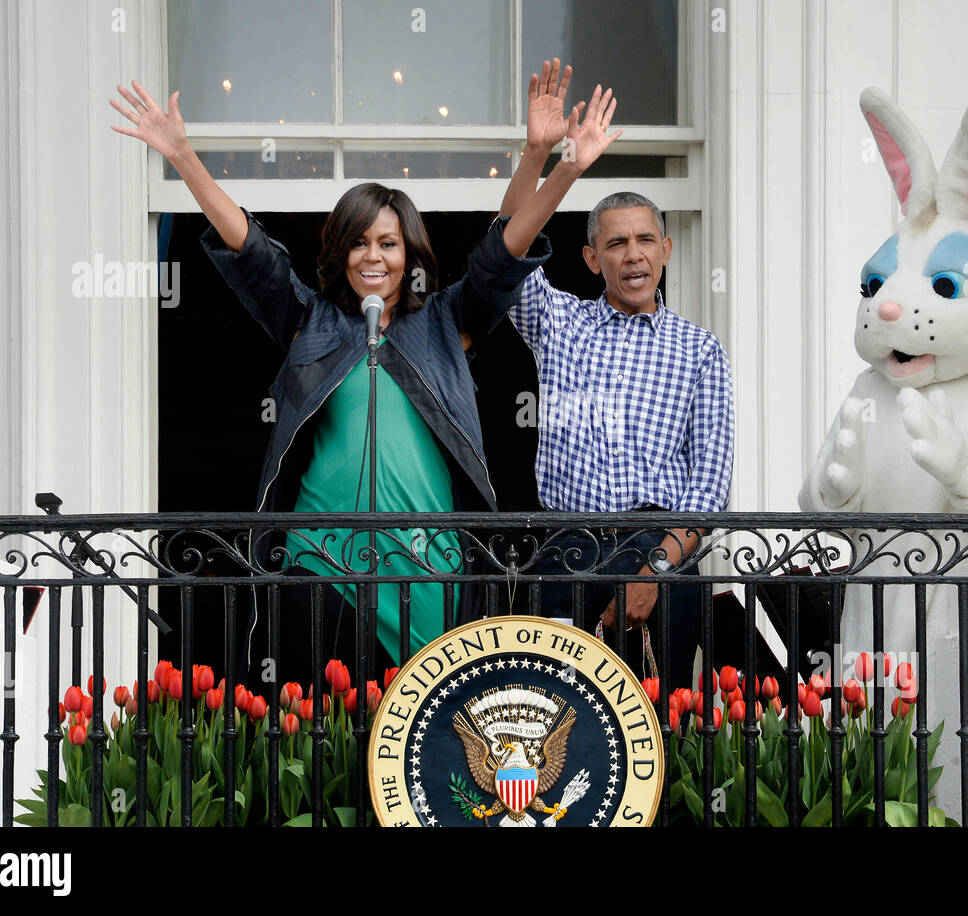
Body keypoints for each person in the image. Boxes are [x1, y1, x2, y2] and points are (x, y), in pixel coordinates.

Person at [110, 75, 620, 688]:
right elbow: (252, 252)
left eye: (387, 243)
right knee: (319, 733)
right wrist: (182, 157)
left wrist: (557, 164)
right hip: (319, 566)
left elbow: (503, 253)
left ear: (410, 254)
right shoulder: (312, 322)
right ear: (340, 254)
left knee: (419, 734)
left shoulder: (446, 321)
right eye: (358, 243)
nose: (372, 256)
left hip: (427, 571)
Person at [495, 63, 735, 688]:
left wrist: (655, 571)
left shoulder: (701, 351)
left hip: (661, 553)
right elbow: (506, 250)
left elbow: (709, 489)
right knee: (554, 717)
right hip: (566, 553)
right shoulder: (558, 321)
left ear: (666, 251)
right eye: (617, 243)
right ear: (590, 257)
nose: (633, 255)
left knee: (660, 720)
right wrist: (540, 155)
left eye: (645, 240)